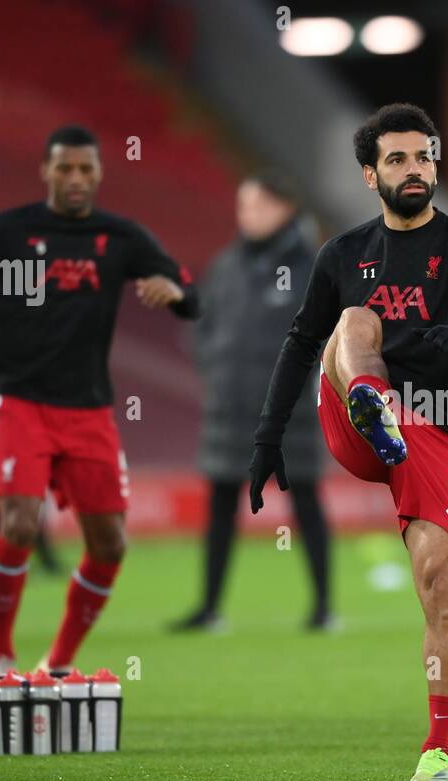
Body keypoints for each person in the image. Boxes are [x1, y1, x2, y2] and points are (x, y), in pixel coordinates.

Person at [248, 103, 448, 781]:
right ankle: (372, 399)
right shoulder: (343, 253)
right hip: (358, 414)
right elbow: (301, 342)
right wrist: (267, 437)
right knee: (353, 318)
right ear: (371, 174)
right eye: (397, 159)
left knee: (441, 586)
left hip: (437, 426)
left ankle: (438, 748)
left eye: (424, 156)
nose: (415, 168)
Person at [0, 124, 198, 676]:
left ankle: (58, 664)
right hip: (20, 402)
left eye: (86, 169)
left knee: (110, 544)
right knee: (18, 522)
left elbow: (185, 288)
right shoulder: (12, 231)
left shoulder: (120, 237)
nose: (76, 178)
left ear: (98, 174)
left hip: (89, 410)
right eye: (65, 168)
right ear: (46, 171)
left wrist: (177, 293)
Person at [172, 173, 333, 632]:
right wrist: (217, 375)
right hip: (229, 411)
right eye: (244, 205)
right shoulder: (227, 265)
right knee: (220, 506)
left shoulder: (310, 267)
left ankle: (323, 607)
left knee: (306, 502)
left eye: (259, 205)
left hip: (289, 416)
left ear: (284, 207)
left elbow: (328, 335)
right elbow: (200, 326)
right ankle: (209, 608)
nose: (249, 214)